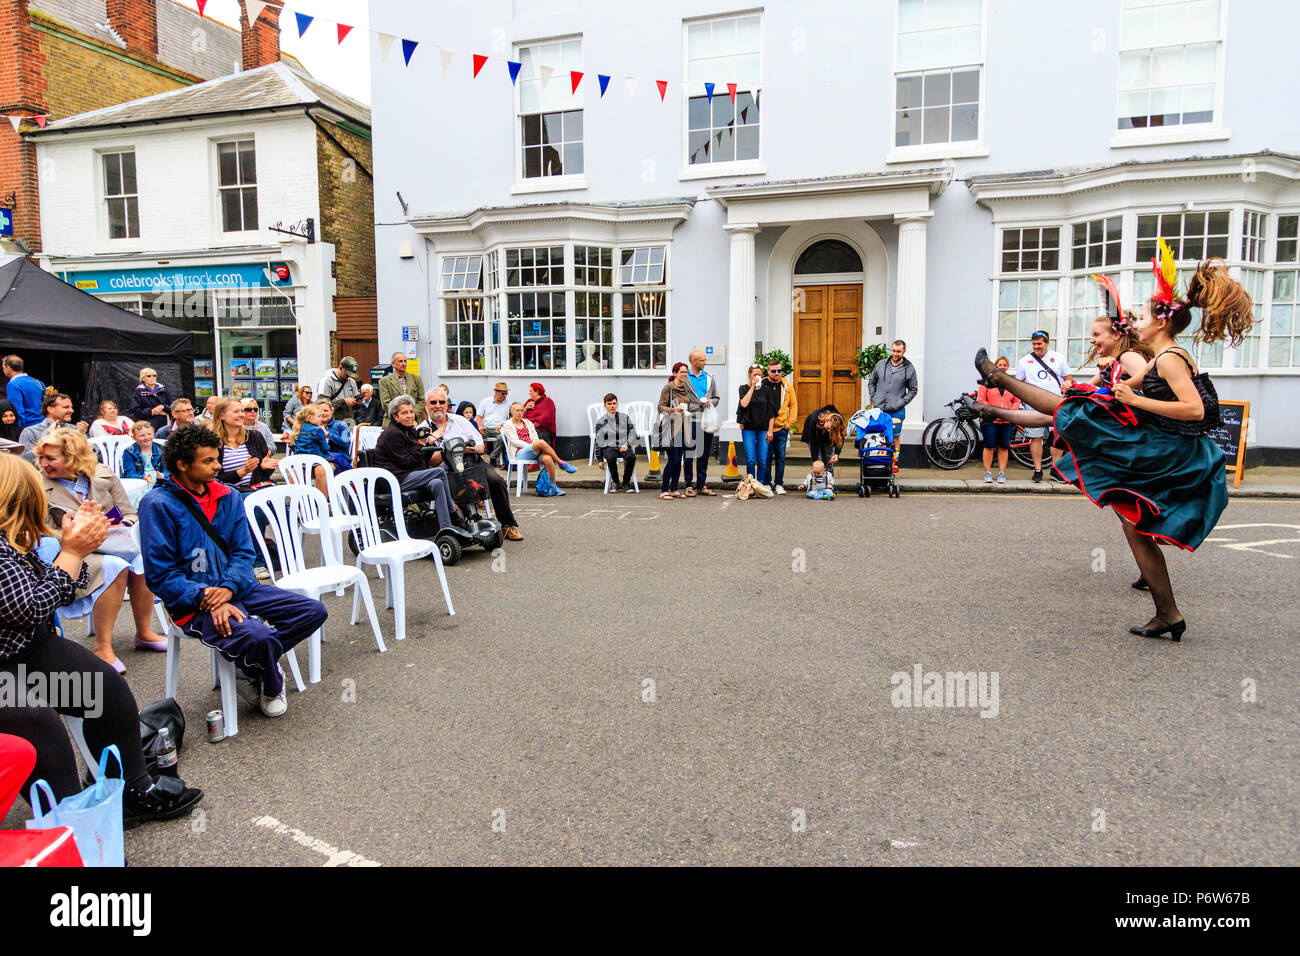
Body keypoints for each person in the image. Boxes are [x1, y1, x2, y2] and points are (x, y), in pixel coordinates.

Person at [966, 256, 1252, 642]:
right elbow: (1134, 382)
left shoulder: (1169, 359)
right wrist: (1107, 387)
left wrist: (1134, 401)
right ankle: (1167, 612)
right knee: (1131, 520)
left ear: (1162, 323)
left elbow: (1195, 409)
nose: (1138, 324)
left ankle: (996, 380)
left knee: (1076, 421)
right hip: (1163, 447)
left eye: (1147, 318)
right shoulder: (1165, 358)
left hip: (1167, 451)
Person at [0, 454, 203, 820]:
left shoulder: (13, 541)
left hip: (22, 648)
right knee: (38, 724)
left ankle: (131, 790)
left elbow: (60, 591)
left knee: (104, 689)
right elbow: (28, 609)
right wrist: (72, 552)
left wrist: (76, 548)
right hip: (6, 661)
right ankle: (69, 826)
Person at [139, 426, 329, 718]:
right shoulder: (157, 504)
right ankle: (270, 682)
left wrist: (227, 589)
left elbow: (244, 553)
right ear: (182, 464)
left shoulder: (228, 495)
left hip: (238, 587)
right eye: (208, 461)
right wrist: (206, 596)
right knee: (260, 637)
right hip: (191, 601)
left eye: (217, 459)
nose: (218, 466)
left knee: (313, 610)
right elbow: (161, 575)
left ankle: (252, 663)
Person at [35, 429, 166, 671]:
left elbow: (129, 513)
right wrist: (78, 530)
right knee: (114, 567)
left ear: (73, 457)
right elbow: (41, 532)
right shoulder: (38, 485)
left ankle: (144, 631)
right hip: (71, 551)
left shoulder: (103, 475)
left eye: (50, 458)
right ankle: (103, 647)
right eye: (41, 458)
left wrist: (116, 524)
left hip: (112, 541)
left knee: (144, 559)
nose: (43, 464)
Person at [422, 388, 527, 540]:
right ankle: (467, 521)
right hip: (445, 467)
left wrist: (473, 448)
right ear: (426, 404)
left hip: (471, 460)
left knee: (497, 481)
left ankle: (507, 524)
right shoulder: (423, 429)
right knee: (456, 484)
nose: (438, 405)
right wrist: (447, 451)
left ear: (447, 405)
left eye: (441, 402)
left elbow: (482, 447)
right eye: (433, 402)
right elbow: (429, 462)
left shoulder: (460, 421)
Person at [372, 395, 462, 537]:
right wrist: (422, 444)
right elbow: (407, 462)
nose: (410, 416)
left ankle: (446, 528)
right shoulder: (392, 434)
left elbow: (419, 461)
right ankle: (453, 514)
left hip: (407, 474)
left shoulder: (409, 431)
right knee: (438, 472)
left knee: (437, 483)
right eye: (404, 413)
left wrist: (427, 445)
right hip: (394, 479)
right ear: (395, 416)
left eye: (412, 412)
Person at [1015, 331, 1073, 482]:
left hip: (1056, 404)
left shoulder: (1058, 358)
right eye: (1034, 344)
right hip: (1033, 406)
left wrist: (1067, 389)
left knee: (1057, 437)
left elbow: (1068, 379)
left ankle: (1056, 469)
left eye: (1039, 344)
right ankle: (1038, 469)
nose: (1036, 347)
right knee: (1036, 437)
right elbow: (1019, 384)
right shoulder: (1024, 361)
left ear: (1047, 343)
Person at [500, 400, 575, 495]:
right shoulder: (507, 424)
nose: (519, 413)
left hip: (533, 450)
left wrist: (534, 446)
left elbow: (535, 438)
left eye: (521, 410)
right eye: (517, 410)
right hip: (519, 453)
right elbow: (515, 441)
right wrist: (532, 446)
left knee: (547, 458)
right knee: (541, 442)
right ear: (511, 411)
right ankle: (561, 462)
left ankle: (554, 486)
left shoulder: (527, 423)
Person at [207, 397, 275, 492]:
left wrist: (266, 467)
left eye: (242, 411)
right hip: (231, 494)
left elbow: (265, 475)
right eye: (236, 412)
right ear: (221, 416)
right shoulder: (213, 442)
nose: (241, 415)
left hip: (257, 490)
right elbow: (214, 479)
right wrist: (243, 471)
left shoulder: (254, 436)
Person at [867, 340, 918, 456]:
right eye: (894, 351)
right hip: (879, 410)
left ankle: (893, 464)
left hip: (897, 411)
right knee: (878, 437)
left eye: (899, 351)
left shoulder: (909, 368)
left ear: (904, 351)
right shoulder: (880, 364)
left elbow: (913, 389)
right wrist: (874, 397)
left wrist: (900, 402)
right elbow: (871, 381)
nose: (895, 354)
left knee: (895, 438)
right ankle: (880, 465)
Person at [976, 357, 1021, 484]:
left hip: (1007, 420)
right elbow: (981, 400)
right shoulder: (986, 382)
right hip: (990, 420)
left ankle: (1002, 473)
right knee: (989, 445)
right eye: (1000, 364)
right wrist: (995, 412)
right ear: (995, 366)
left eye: (1005, 364)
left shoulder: (1011, 382)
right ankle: (988, 472)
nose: (1002, 366)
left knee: (1003, 446)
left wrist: (1009, 412)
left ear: (1007, 367)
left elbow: (1017, 400)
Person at [682, 350, 720, 496]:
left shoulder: (709, 377)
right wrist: (694, 406)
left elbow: (717, 397)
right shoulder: (685, 378)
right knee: (690, 453)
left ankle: (701, 485)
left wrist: (710, 402)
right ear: (694, 362)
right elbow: (680, 399)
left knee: (704, 454)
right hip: (691, 419)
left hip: (707, 420)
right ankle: (688, 485)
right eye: (702, 360)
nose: (705, 363)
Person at [657, 363, 694, 499]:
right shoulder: (668, 388)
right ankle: (664, 490)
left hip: (684, 428)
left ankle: (674, 489)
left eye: (685, 372)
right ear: (674, 373)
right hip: (671, 429)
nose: (684, 374)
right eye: (681, 372)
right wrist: (673, 410)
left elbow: (690, 405)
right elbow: (660, 407)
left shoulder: (686, 388)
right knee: (673, 459)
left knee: (679, 461)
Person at [19, 391, 88, 462]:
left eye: (71, 407)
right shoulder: (31, 432)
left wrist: (80, 437)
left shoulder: (75, 429)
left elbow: (88, 457)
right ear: (50, 409)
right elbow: (24, 460)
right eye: (66, 407)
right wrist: (47, 439)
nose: (71, 410)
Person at [762, 358, 797, 494]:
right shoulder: (762, 384)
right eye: (774, 371)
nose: (777, 373)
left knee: (781, 457)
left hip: (782, 428)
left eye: (779, 371)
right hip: (765, 428)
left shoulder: (787, 385)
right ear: (768, 371)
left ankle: (779, 484)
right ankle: (766, 483)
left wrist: (789, 424)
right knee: (766, 457)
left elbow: (793, 405)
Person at [592, 393, 638, 493]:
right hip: (609, 447)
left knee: (631, 457)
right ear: (605, 405)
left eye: (614, 403)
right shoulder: (601, 422)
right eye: (609, 404)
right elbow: (599, 441)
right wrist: (599, 459)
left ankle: (626, 482)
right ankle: (616, 482)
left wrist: (627, 444)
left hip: (623, 445)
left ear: (617, 404)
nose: (612, 406)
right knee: (610, 457)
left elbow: (633, 432)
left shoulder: (624, 418)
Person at [737, 363, 776, 480]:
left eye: (759, 375)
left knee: (762, 460)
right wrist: (753, 387)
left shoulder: (766, 390)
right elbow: (744, 404)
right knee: (750, 460)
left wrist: (770, 430)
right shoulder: (743, 388)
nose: (757, 377)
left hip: (763, 428)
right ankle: (750, 484)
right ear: (750, 375)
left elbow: (771, 412)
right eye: (755, 374)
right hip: (748, 428)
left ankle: (760, 483)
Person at [378, 353, 424, 427]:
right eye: (400, 361)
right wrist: (401, 416)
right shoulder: (385, 381)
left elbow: (421, 400)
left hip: (413, 422)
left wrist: (412, 414)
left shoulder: (416, 379)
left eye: (405, 361)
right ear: (393, 364)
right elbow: (385, 403)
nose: (403, 364)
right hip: (393, 421)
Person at [2, 355, 45, 429]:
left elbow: (17, 411)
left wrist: (17, 430)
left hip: (28, 428)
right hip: (44, 425)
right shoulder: (38, 382)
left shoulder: (13, 385)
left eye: (3, 367)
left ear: (8, 367)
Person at [801, 405, 846, 473]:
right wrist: (815, 461)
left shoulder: (840, 421)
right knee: (818, 462)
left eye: (831, 430)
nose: (828, 431)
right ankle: (817, 480)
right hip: (813, 435)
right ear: (827, 420)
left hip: (830, 438)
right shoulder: (814, 419)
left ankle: (829, 481)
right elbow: (813, 443)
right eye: (828, 428)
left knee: (829, 460)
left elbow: (840, 438)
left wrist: (837, 453)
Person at [317, 356, 361, 424]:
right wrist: (343, 402)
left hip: (349, 422)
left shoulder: (351, 382)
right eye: (347, 373)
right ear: (340, 367)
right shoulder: (326, 381)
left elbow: (356, 408)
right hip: (332, 423)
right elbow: (322, 405)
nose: (348, 376)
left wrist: (358, 402)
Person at [477, 382, 512, 466]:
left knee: (503, 437)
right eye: (503, 393)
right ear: (496, 392)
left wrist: (503, 426)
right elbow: (478, 418)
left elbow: (511, 419)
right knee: (474, 437)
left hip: (499, 429)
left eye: (506, 393)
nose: (505, 396)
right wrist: (480, 426)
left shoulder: (508, 403)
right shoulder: (485, 401)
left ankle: (493, 457)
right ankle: (476, 459)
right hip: (486, 428)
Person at [316, 400, 353, 472]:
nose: (322, 413)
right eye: (319, 411)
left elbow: (346, 443)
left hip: (338, 460)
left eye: (326, 411)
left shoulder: (341, 424)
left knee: (323, 469)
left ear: (331, 412)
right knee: (296, 469)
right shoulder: (313, 426)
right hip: (318, 459)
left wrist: (328, 434)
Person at [522, 383, 557, 447]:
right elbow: (519, 416)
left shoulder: (547, 401)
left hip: (540, 432)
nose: (529, 393)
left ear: (537, 392)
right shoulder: (529, 402)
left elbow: (543, 419)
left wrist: (529, 429)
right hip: (527, 430)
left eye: (530, 391)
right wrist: (525, 408)